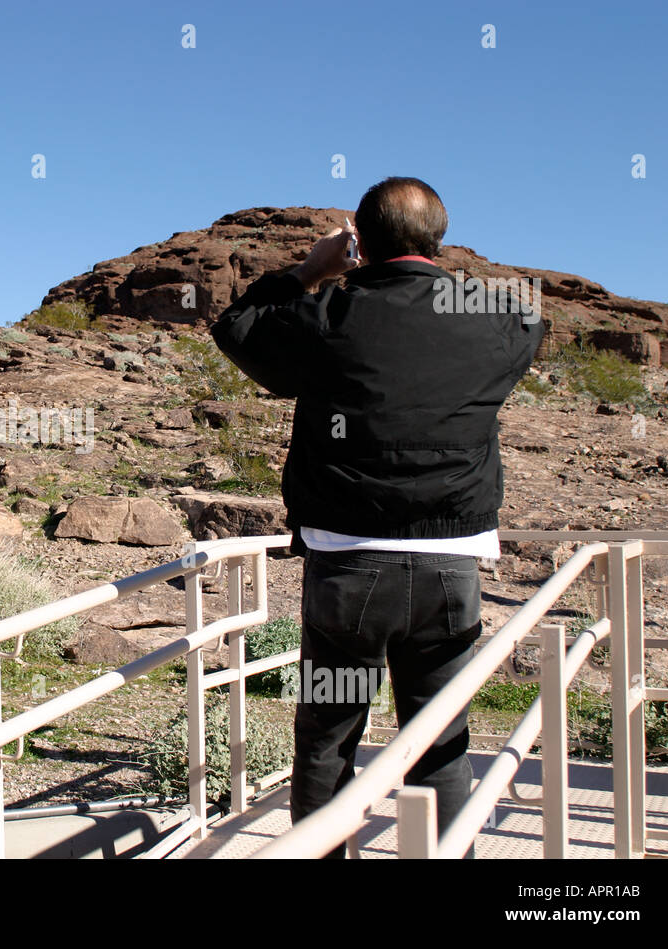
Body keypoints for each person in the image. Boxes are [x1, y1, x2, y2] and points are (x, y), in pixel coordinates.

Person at [210, 177, 545, 857]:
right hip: (452, 567)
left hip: (346, 571)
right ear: (439, 237)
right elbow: (530, 324)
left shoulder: (330, 311)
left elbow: (237, 328)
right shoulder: (487, 319)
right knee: (441, 744)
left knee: (328, 738)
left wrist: (311, 268)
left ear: (361, 240)